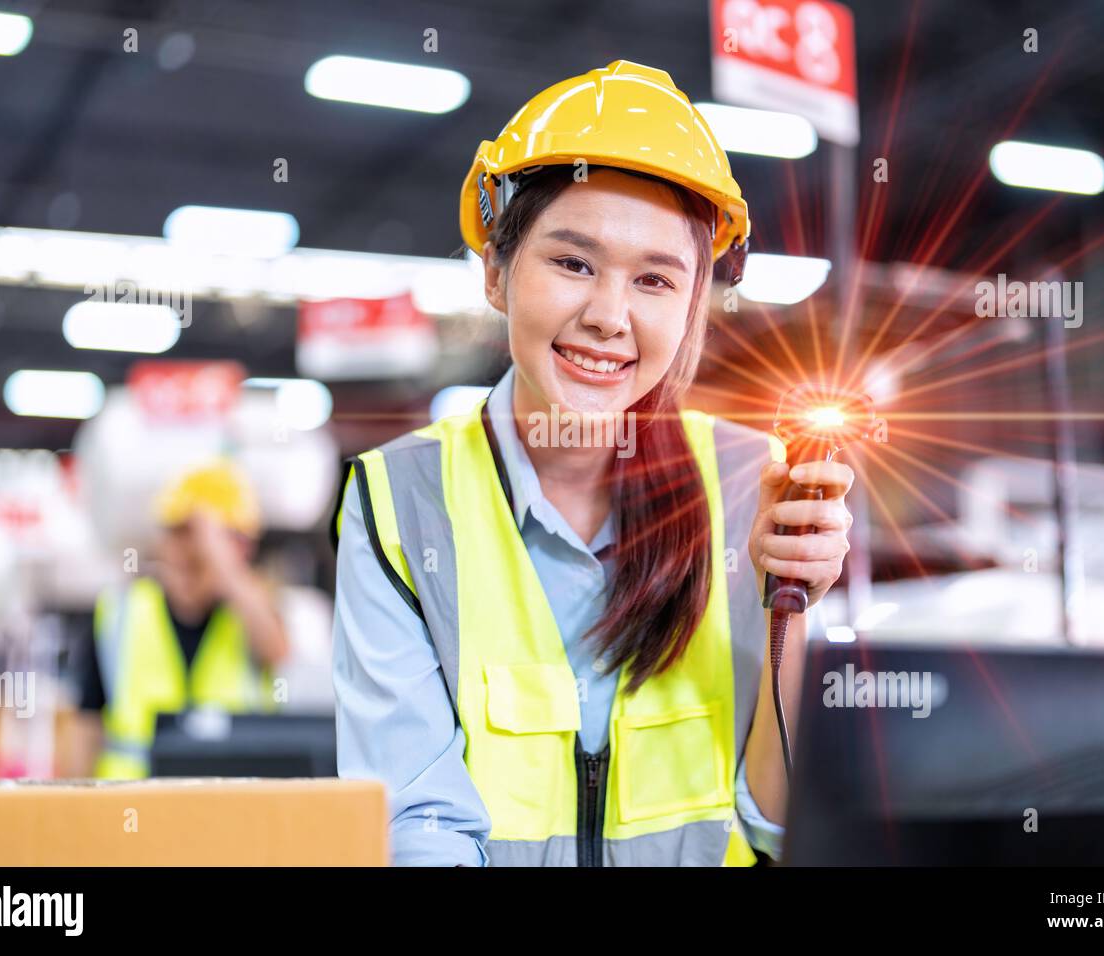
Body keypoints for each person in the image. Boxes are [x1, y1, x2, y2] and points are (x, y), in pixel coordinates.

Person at [331, 60, 854, 866]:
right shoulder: (399, 499)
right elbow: (417, 826)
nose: (610, 317)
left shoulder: (757, 481)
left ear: (689, 310)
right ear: (497, 273)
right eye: (573, 263)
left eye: (654, 279)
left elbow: (776, 828)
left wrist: (790, 607)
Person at [70, 459, 290, 778]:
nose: (185, 553)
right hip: (132, 813)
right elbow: (84, 732)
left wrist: (222, 562)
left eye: (199, 542)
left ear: (239, 551)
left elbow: (277, 650)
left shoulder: (251, 611)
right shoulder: (120, 613)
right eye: (176, 534)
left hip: (229, 815)